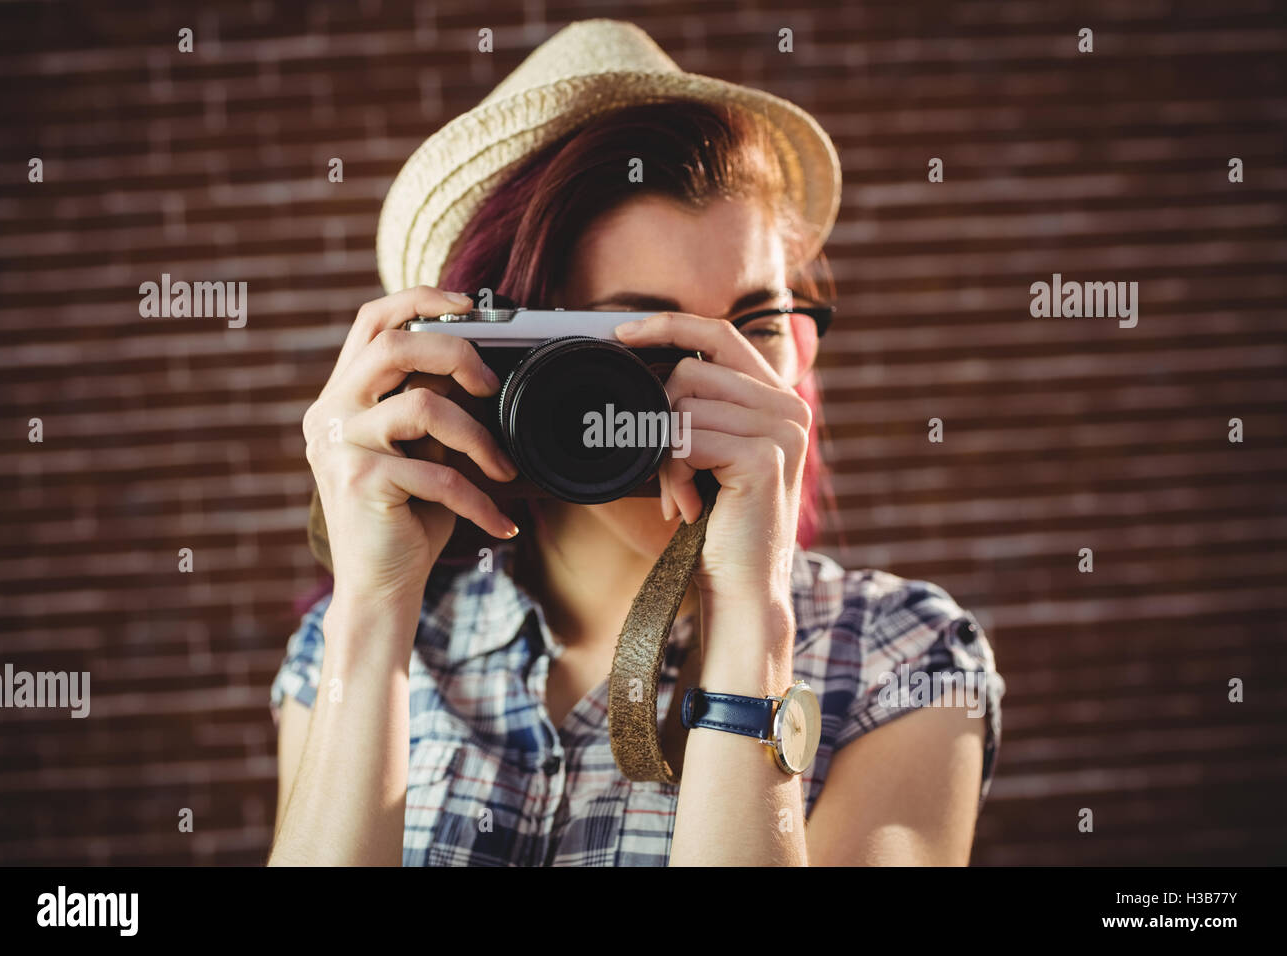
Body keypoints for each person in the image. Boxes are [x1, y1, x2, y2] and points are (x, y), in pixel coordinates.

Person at [267, 19, 1004, 866]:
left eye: (755, 326)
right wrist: (372, 609)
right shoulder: (354, 640)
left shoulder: (903, 659)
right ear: (502, 367)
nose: (710, 393)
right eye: (640, 346)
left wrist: (749, 625)